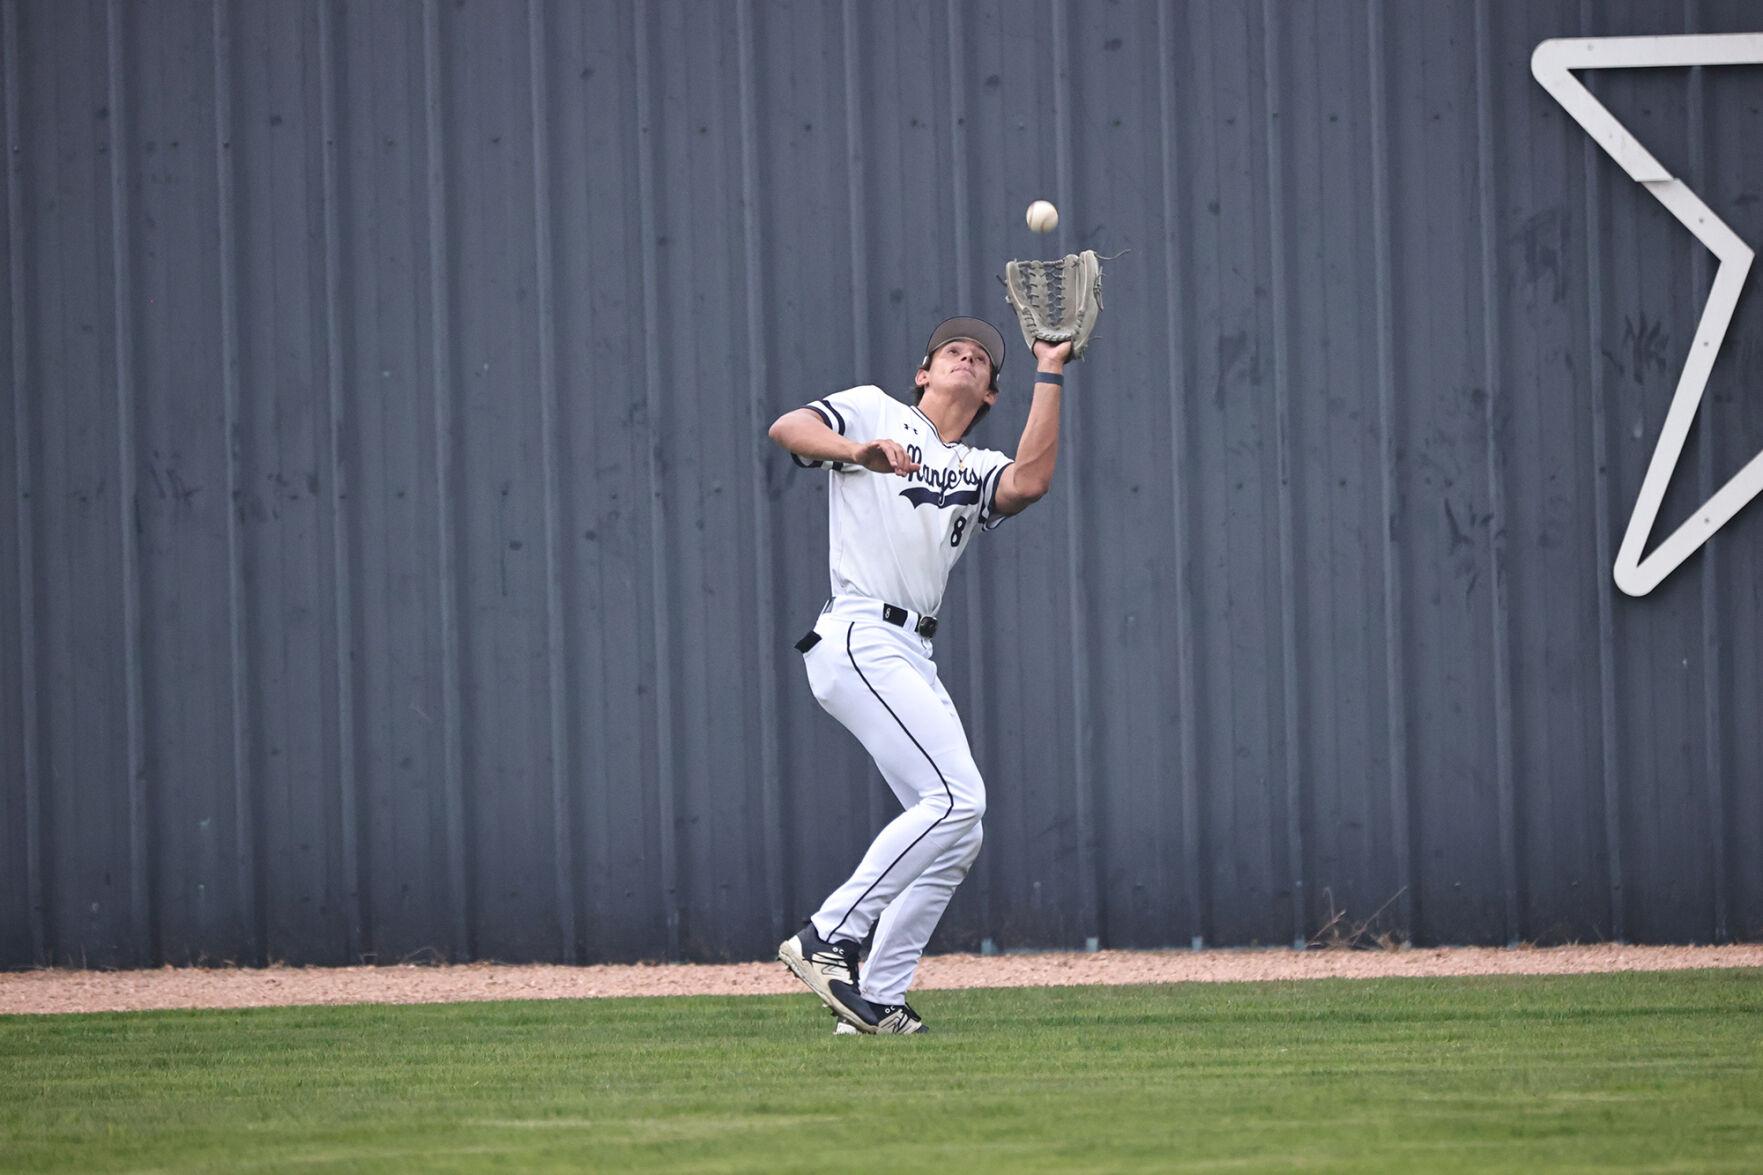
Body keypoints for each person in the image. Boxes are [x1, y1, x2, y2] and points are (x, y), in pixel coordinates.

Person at [767, 315, 1073, 1034]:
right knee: (956, 798)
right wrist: (855, 451)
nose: (965, 357)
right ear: (922, 373)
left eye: (979, 358)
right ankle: (825, 935)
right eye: (950, 351)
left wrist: (1051, 368)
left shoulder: (971, 466)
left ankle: (875, 998)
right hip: (860, 631)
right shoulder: (876, 411)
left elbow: (1028, 482)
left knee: (958, 830)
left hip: (910, 650)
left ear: (993, 392)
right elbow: (787, 427)